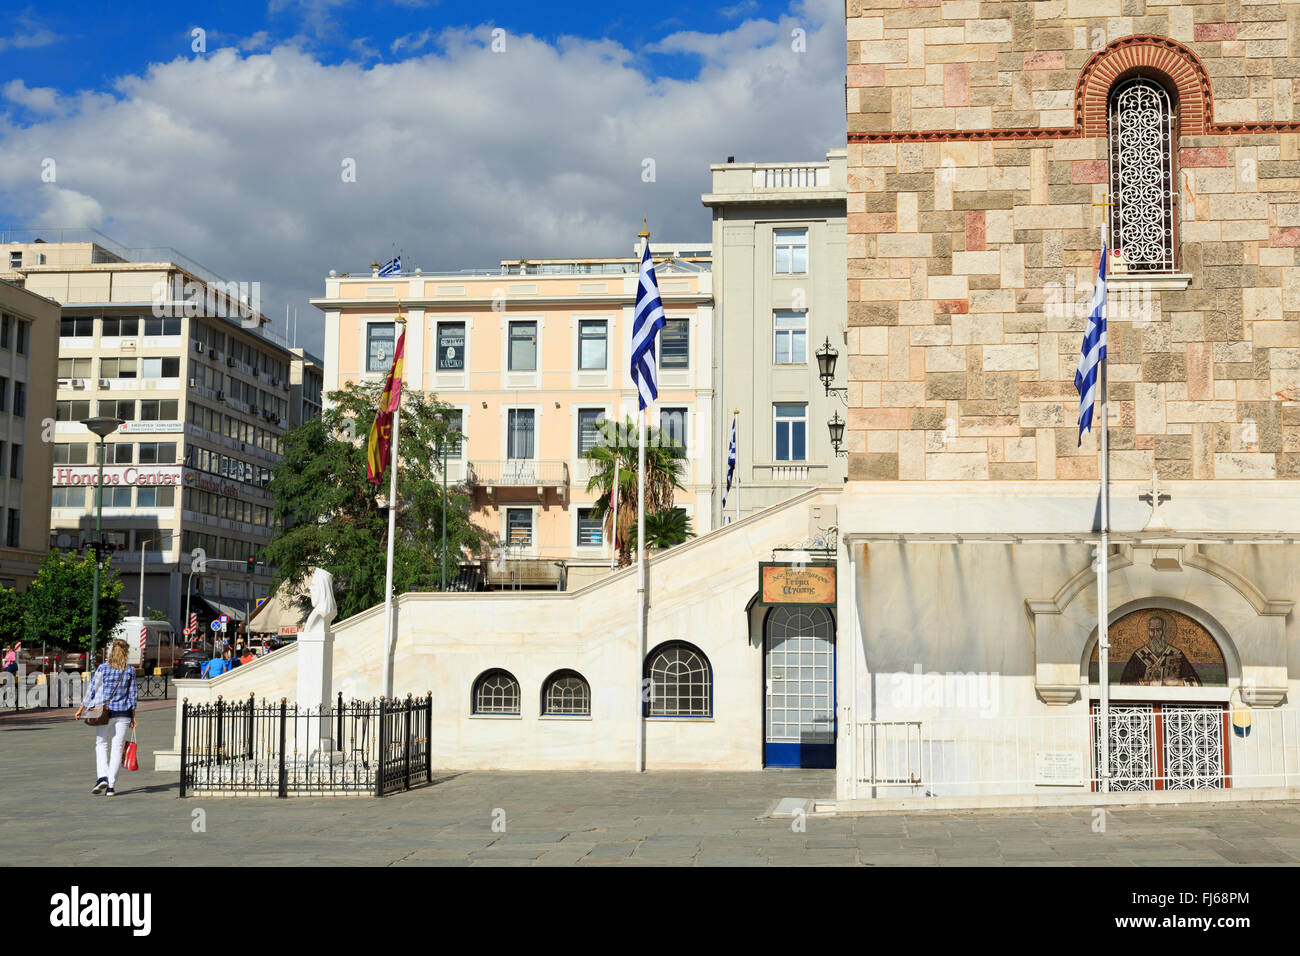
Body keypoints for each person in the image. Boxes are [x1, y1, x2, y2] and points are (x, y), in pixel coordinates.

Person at [72, 638, 137, 796]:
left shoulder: (103, 668)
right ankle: (111, 786)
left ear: (110, 652)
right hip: (123, 713)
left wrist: (81, 708)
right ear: (126, 653)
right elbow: (133, 696)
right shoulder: (129, 670)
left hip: (103, 711)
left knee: (101, 743)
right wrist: (133, 716)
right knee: (117, 748)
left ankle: (102, 777)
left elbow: (92, 690)